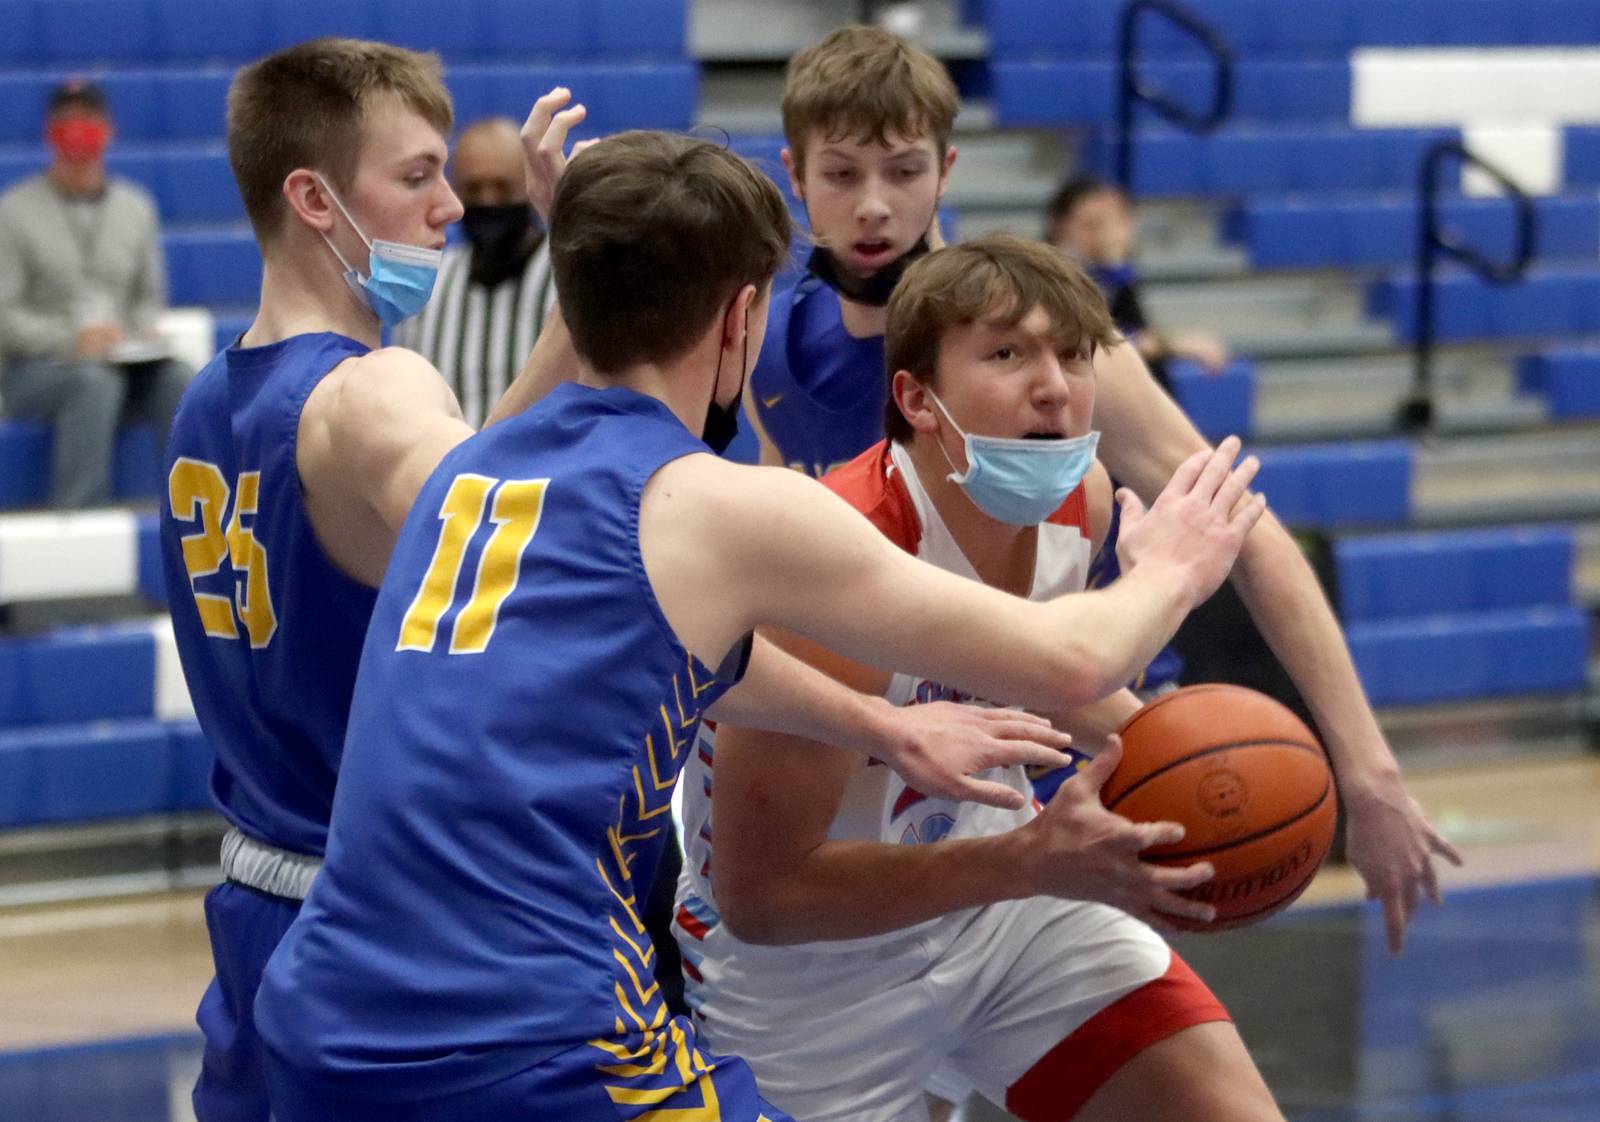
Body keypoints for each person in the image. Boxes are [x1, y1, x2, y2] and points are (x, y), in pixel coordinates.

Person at [252, 129, 1264, 1120]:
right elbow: (1079, 655)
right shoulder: (720, 505)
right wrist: (1172, 565)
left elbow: (659, 650)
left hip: (320, 1017)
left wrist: (878, 729)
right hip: (534, 1034)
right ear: (742, 318)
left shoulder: (469, 471)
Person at [163, 46, 1067, 1122]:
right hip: (442, 926)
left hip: (270, 903)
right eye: (416, 177)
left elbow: (528, 532)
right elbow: (534, 534)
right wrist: (593, 285)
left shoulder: (206, 403)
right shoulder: (375, 395)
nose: (448, 205)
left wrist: (874, 721)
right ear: (312, 196)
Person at [743, 24, 1459, 956]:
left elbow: (1246, 532)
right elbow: (775, 587)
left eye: (904, 170)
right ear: (794, 176)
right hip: (889, 753)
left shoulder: (1042, 335)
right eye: (842, 175)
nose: (875, 206)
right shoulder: (771, 348)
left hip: (1071, 746)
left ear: (946, 172)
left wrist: (1366, 768)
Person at [676, 235, 1286, 1122]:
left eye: (1072, 355)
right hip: (809, 979)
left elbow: (1028, 675)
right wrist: (1028, 859)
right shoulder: (837, 559)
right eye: (1007, 353)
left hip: (1003, 914)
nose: (1054, 385)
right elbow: (767, 898)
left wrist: (1190, 770)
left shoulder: (1082, 499)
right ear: (917, 400)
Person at [0, 79, 191, 508]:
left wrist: (137, 333)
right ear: (51, 134)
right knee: (93, 383)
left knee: (179, 378)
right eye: (67, 125)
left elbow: (148, 296)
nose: (78, 138)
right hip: (37, 368)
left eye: (88, 124)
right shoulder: (12, 212)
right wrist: (71, 339)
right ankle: (81, 515)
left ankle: (189, 514)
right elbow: (5, 314)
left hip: (121, 356)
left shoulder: (135, 207)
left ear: (107, 131)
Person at [394, 116, 556, 427]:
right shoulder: (428, 287)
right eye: (474, 188)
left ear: (530, 185)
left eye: (502, 187)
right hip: (450, 469)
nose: (488, 200)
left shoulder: (568, 282)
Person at [1044, 175, 1228, 391]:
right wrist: (1175, 346)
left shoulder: (1103, 274)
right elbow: (1106, 345)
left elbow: (1132, 327)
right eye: (1091, 226)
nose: (1103, 238)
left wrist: (1117, 267)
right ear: (1061, 227)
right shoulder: (1046, 280)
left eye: (1108, 225)